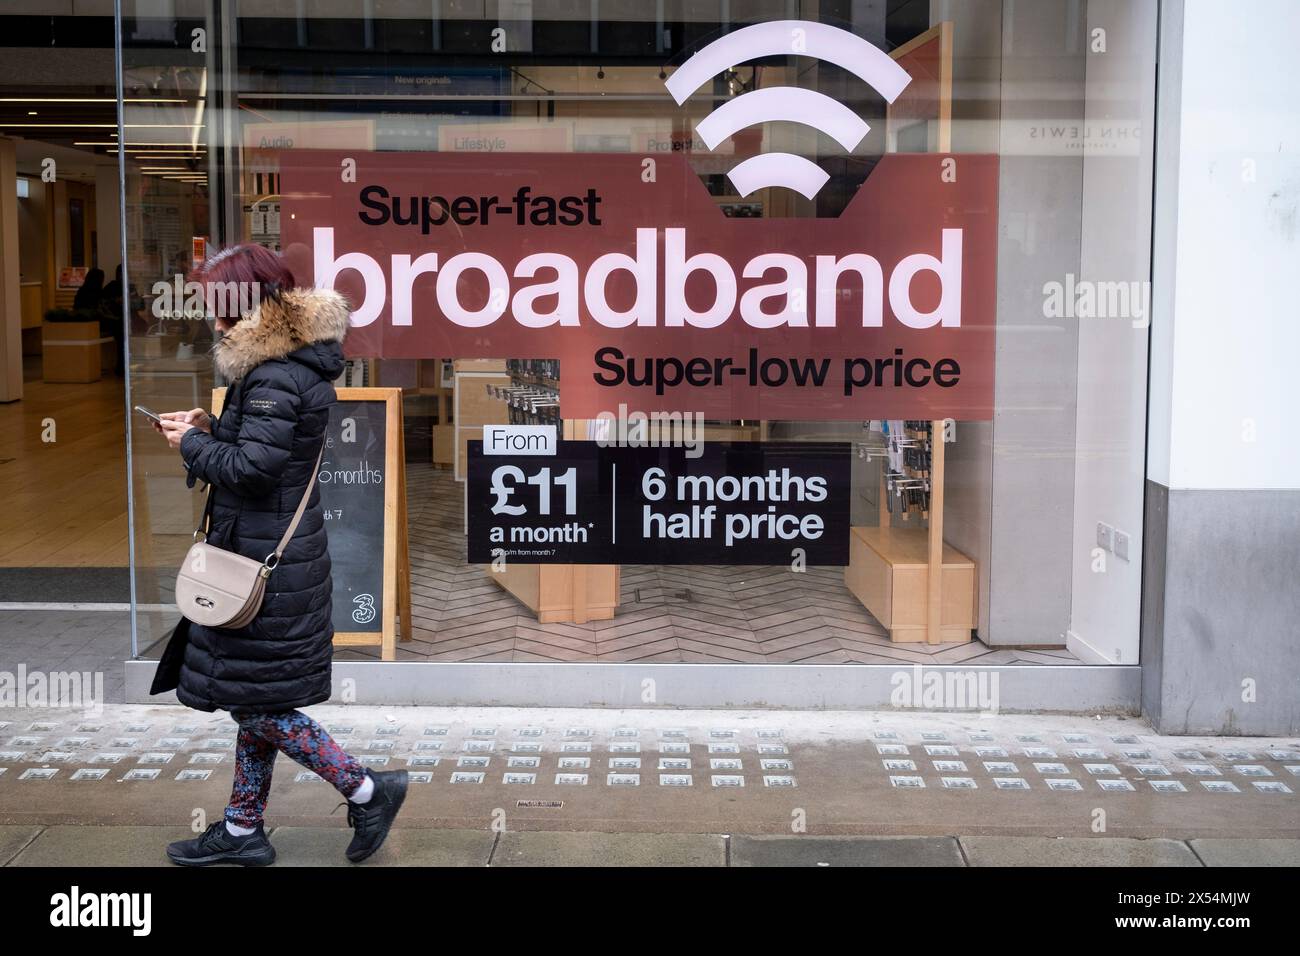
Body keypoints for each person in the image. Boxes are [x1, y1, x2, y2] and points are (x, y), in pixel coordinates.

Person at [150, 243, 407, 866]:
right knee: (254, 696)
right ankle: (242, 831)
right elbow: (263, 452)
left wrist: (190, 447)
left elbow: (255, 471)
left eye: (221, 308)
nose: (214, 321)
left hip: (263, 564)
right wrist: (208, 429)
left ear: (250, 303)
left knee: (255, 701)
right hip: (267, 555)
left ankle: (367, 789)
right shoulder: (282, 364)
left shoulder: (271, 374)